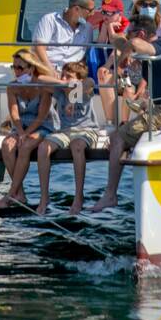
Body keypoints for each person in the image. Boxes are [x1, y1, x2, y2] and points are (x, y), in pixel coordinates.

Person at [92, 18, 161, 211]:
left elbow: (133, 44)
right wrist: (112, 31)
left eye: (131, 31)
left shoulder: (157, 47)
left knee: (117, 138)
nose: (128, 35)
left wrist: (121, 59)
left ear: (141, 34)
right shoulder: (158, 44)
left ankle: (110, 195)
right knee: (131, 118)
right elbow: (125, 41)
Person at [36, 61, 103, 214]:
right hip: (65, 131)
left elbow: (89, 82)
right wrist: (63, 83)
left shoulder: (85, 88)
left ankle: (78, 197)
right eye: (63, 75)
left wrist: (73, 94)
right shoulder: (60, 91)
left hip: (86, 129)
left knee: (77, 146)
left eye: (69, 76)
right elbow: (40, 80)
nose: (65, 79)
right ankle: (44, 197)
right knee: (42, 148)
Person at [0, 49, 56, 209]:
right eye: (14, 67)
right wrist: (21, 132)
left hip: (43, 125)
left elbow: (42, 116)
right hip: (21, 126)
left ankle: (10, 194)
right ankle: (20, 194)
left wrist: (26, 134)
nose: (16, 71)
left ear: (31, 68)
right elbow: (14, 112)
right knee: (7, 145)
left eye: (20, 68)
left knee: (25, 147)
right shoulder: (12, 87)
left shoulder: (43, 86)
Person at [32, 0, 96, 76]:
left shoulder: (88, 28)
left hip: (72, 75)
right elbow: (39, 48)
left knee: (89, 83)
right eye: (90, 10)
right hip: (46, 71)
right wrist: (50, 71)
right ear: (77, 9)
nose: (93, 13)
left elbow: (84, 57)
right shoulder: (50, 20)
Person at [88, 0, 130, 126]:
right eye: (104, 12)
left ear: (119, 13)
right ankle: (108, 122)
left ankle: (112, 122)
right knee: (100, 77)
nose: (105, 16)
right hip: (110, 67)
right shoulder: (104, 23)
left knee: (104, 77)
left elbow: (117, 46)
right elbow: (101, 44)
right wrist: (106, 26)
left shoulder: (126, 25)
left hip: (124, 71)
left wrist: (106, 66)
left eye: (110, 13)